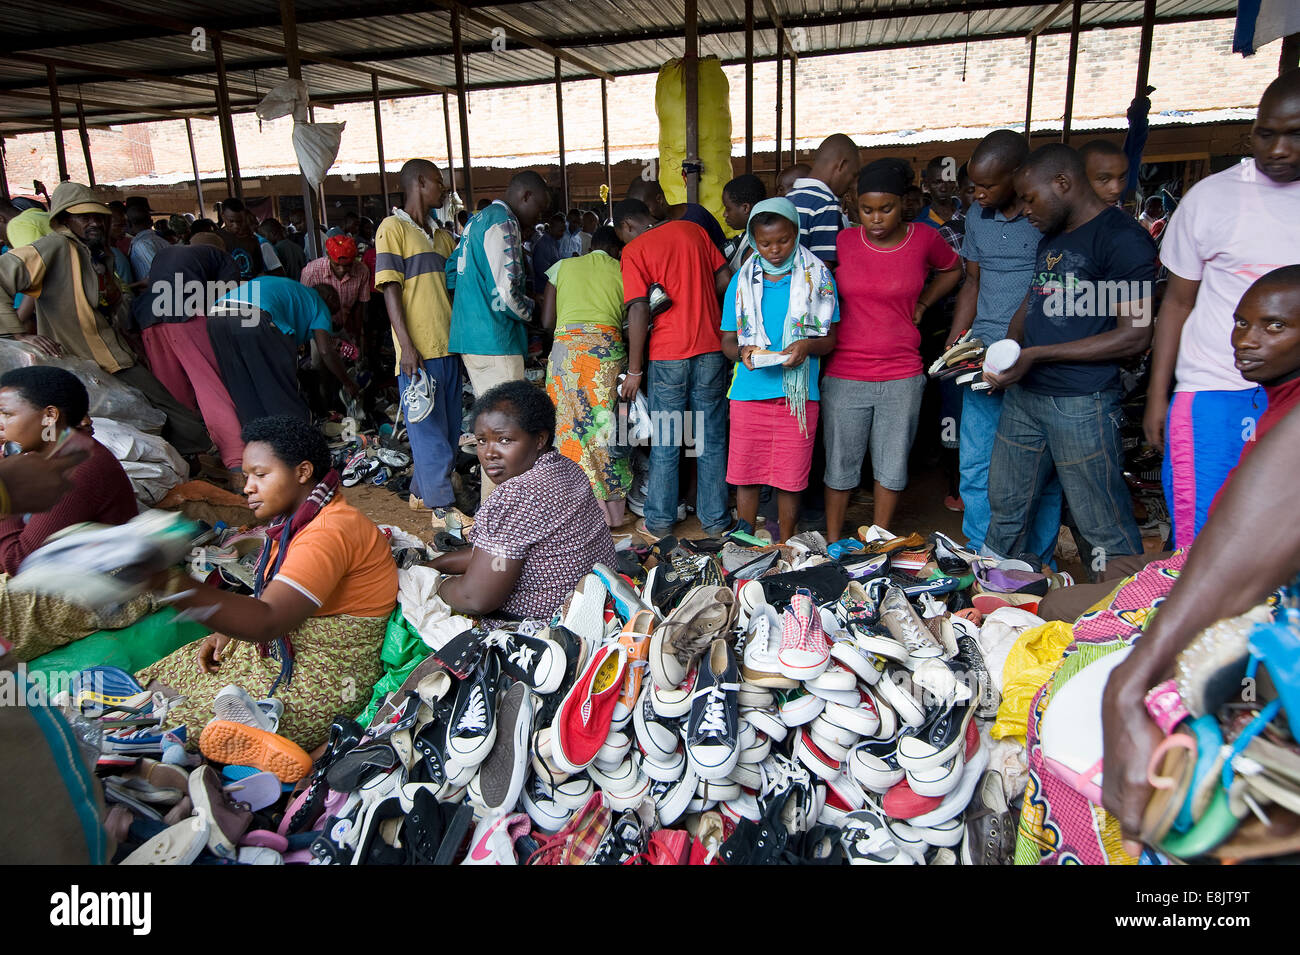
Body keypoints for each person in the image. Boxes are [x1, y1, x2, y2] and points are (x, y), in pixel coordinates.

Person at [1101, 268, 1300, 858]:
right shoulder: (1276, 406)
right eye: (1241, 323)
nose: (1247, 339)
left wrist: (1129, 684)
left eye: (1274, 326)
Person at [138, 416, 398, 750]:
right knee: (161, 683)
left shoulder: (327, 532)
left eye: (260, 475)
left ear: (302, 473)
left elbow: (268, 620)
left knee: (169, 730)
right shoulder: (298, 520)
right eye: (247, 475)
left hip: (322, 677)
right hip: (284, 651)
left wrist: (168, 582)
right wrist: (228, 628)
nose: (247, 486)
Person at [1143, 70, 1300, 549]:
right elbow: (1177, 303)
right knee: (1202, 540)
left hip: (1293, 396)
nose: (1276, 149)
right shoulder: (1211, 198)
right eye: (1265, 133)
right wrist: (1159, 394)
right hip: (1213, 389)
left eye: (1295, 135)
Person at [983, 144, 1156, 570]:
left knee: (1101, 522)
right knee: (1006, 506)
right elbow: (1035, 297)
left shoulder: (1121, 240)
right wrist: (1007, 350)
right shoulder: (1054, 234)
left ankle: (1122, 617)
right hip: (1026, 398)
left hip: (1082, 404)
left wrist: (1037, 355)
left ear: (1062, 183)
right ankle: (986, 608)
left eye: (1029, 198)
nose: (1024, 210)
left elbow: (1134, 336)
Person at [0, 181, 212, 459]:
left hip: (113, 354)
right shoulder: (55, 246)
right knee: (164, 414)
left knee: (148, 415)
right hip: (86, 358)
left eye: (98, 216)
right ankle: (193, 459)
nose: (94, 223)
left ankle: (184, 463)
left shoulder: (96, 252)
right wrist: (18, 333)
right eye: (84, 217)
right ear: (65, 219)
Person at [822, 160, 961, 540]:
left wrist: (923, 304)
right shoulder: (844, 242)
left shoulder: (924, 239)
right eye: (867, 210)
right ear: (855, 206)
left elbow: (953, 269)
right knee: (840, 465)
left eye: (886, 209)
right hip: (845, 373)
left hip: (902, 373)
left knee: (891, 465)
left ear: (904, 203)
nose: (877, 218)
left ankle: (879, 542)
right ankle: (833, 541)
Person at [948, 129, 1064, 562]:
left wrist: (1023, 350)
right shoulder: (978, 216)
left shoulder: (1046, 218)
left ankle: (1038, 561)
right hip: (982, 355)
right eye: (974, 185)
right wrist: (958, 339)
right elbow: (973, 281)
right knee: (976, 461)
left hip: (1034, 359)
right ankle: (981, 552)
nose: (977, 194)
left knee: (1040, 471)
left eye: (987, 185)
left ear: (1018, 175)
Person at [428, 382, 616, 628]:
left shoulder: (516, 495)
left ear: (539, 439)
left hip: (543, 626)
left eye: (504, 440)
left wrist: (436, 583)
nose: (489, 453)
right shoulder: (568, 469)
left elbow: (475, 599)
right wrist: (436, 563)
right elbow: (499, 556)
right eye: (482, 441)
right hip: (600, 603)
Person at [0, 367, 153, 662]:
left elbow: (20, 563)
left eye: (7, 414)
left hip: (100, 586)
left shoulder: (77, 469)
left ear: (49, 416)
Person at [721, 199, 838, 543]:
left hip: (797, 395)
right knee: (746, 473)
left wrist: (807, 347)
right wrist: (743, 351)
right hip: (749, 392)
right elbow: (728, 339)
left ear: (796, 233)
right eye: (765, 243)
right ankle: (744, 542)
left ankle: (784, 542)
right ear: (753, 240)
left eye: (783, 240)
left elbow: (829, 340)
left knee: (791, 476)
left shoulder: (817, 277)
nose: (774, 250)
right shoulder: (741, 282)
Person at [614, 198, 731, 538]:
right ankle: (715, 521)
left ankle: (660, 521)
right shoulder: (693, 231)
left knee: (668, 440)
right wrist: (705, 306)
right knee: (708, 438)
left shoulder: (635, 250)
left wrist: (635, 370)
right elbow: (725, 279)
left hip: (667, 355)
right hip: (710, 348)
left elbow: (638, 310)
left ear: (626, 227)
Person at [447, 169, 550, 501]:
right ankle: (499, 510)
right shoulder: (503, 222)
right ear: (526, 196)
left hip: (470, 335)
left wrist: (473, 300)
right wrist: (532, 314)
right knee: (507, 430)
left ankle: (494, 505)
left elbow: (451, 273)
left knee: (492, 428)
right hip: (496, 338)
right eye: (539, 209)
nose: (538, 220)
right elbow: (507, 292)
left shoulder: (475, 222)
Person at [375, 158, 465, 523]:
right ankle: (441, 510)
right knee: (428, 433)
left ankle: (419, 494)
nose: (443, 190)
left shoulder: (441, 236)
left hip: (448, 346)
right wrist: (406, 346)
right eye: (439, 183)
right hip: (419, 351)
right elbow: (390, 288)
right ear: (420, 182)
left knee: (448, 429)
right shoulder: (392, 228)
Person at [131, 233, 245, 470]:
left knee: (176, 395)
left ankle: (194, 456)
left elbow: (148, 284)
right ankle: (236, 461)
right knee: (212, 388)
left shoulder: (166, 255)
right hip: (186, 318)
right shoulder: (222, 258)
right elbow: (227, 301)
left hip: (147, 321)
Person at [542, 226, 630, 527]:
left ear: (591, 246)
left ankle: (578, 508)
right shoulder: (623, 269)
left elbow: (546, 320)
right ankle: (613, 513)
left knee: (568, 430)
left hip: (564, 355)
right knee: (605, 430)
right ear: (617, 249)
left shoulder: (562, 266)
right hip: (605, 356)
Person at [206, 275, 358, 425]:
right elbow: (325, 351)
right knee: (284, 390)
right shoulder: (318, 303)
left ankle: (259, 440)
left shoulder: (290, 290)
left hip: (216, 317)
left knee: (244, 390)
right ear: (331, 300)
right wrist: (348, 383)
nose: (331, 319)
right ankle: (298, 438)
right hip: (256, 316)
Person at [786, 135, 858, 267]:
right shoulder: (826, 203)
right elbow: (823, 266)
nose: (851, 183)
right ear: (842, 165)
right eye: (853, 175)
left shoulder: (788, 198)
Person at [299, 234, 371, 341]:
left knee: (350, 353)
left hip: (346, 325)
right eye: (337, 265)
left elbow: (359, 304)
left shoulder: (362, 271)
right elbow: (303, 306)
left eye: (347, 265)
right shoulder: (310, 272)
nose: (342, 269)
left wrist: (357, 332)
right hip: (317, 328)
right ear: (328, 256)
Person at [625, 178, 727, 251]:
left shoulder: (696, 214)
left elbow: (722, 248)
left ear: (659, 199)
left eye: (645, 209)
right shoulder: (649, 231)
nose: (642, 216)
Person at [218, 197, 281, 280]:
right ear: (223, 216)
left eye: (239, 221)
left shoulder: (252, 240)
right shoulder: (216, 239)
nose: (236, 226)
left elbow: (259, 270)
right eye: (231, 221)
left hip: (251, 288)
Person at [721, 174, 766, 272]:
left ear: (745, 208)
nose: (725, 214)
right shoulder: (746, 236)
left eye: (728, 209)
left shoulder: (757, 246)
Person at [1079, 139, 1129, 207]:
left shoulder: (1122, 217)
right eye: (1104, 179)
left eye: (1121, 178)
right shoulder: (1062, 215)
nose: (1117, 190)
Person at [916, 155, 962, 229]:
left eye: (949, 182)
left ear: (954, 183)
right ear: (927, 184)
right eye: (937, 182)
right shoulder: (919, 223)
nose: (943, 189)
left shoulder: (967, 211)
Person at [259, 217, 307, 282]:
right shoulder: (295, 246)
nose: (264, 239)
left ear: (273, 233)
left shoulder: (277, 249)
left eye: (264, 235)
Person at [532, 213, 567, 292]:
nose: (562, 234)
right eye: (560, 231)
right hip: (544, 289)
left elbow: (555, 262)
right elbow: (545, 272)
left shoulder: (554, 242)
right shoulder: (543, 245)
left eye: (564, 231)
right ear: (551, 228)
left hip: (551, 287)